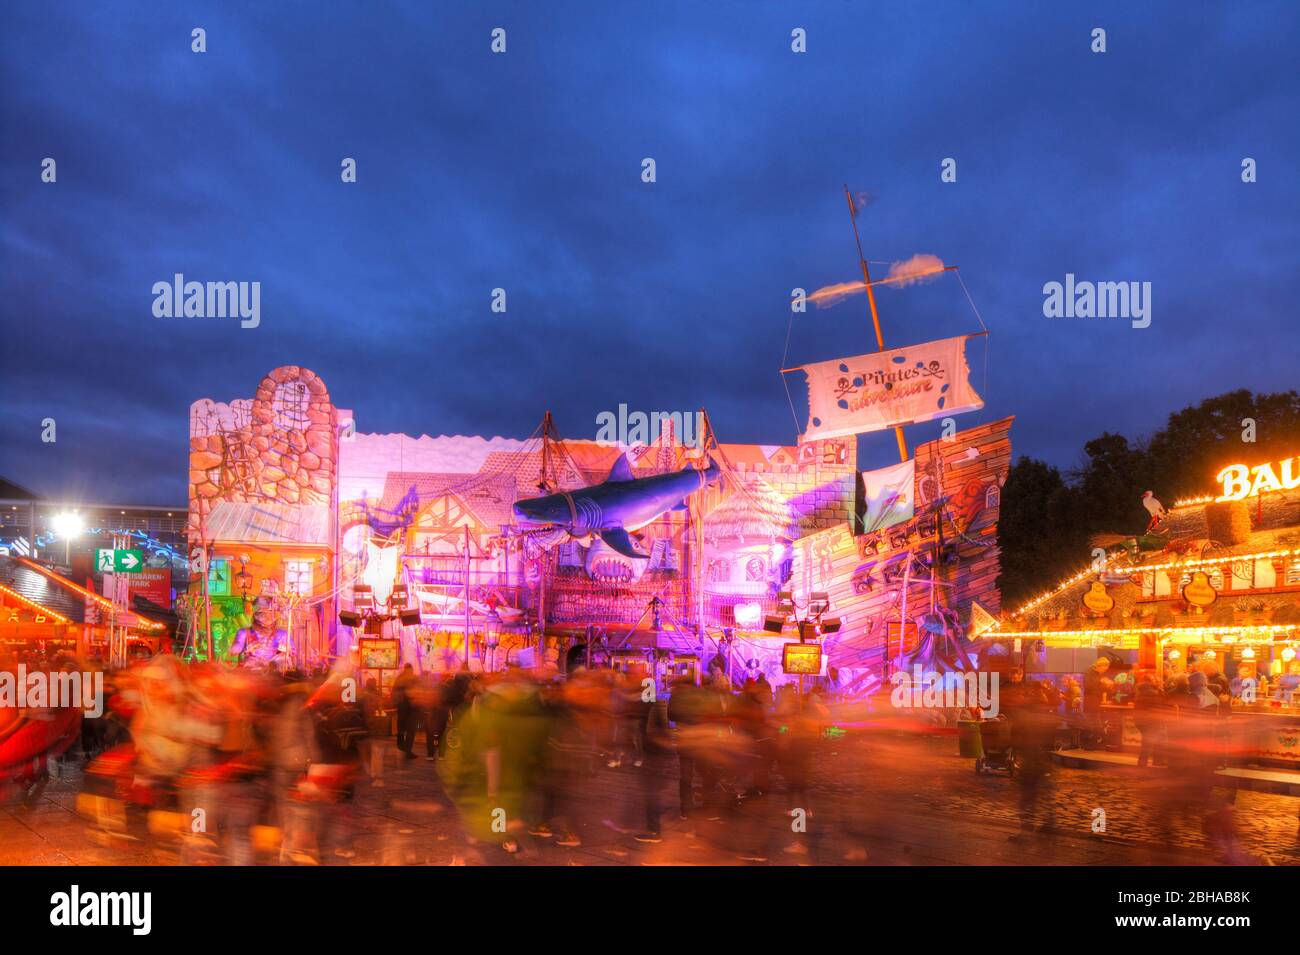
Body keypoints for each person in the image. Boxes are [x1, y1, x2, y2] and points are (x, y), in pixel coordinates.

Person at [391, 664, 418, 758]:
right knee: (409, 730)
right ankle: (406, 749)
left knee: (406, 729)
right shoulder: (411, 679)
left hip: (406, 707)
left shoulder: (401, 679)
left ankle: (404, 748)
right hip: (408, 707)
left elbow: (394, 691)